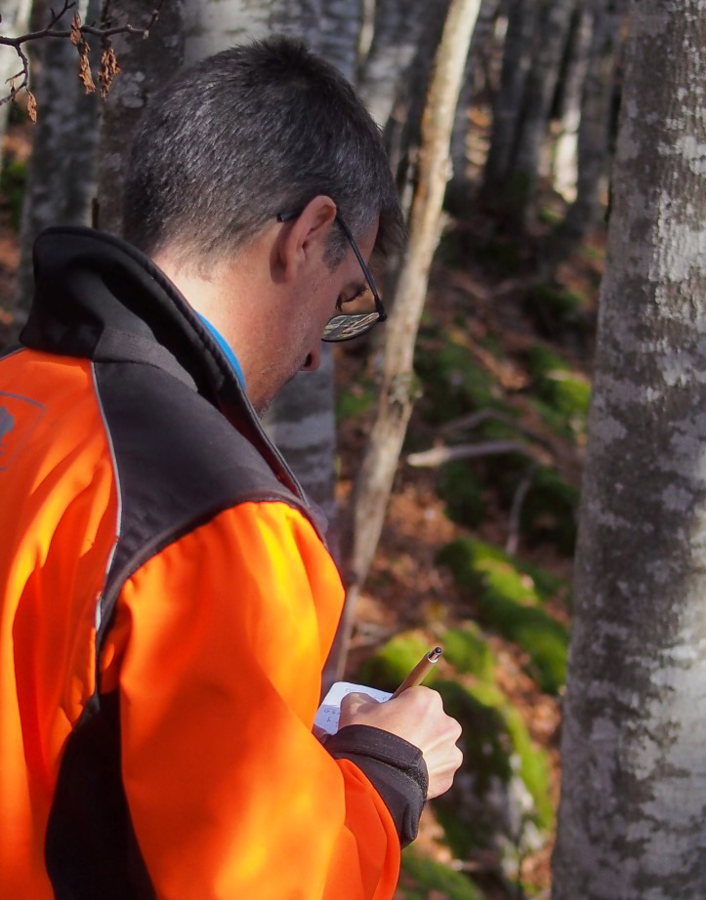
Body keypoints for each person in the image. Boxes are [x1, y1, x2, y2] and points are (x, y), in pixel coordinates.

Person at [0, 36, 462, 900]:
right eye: (342, 305)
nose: (323, 358)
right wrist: (388, 774)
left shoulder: (22, 395)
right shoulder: (215, 515)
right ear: (310, 234)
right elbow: (268, 881)